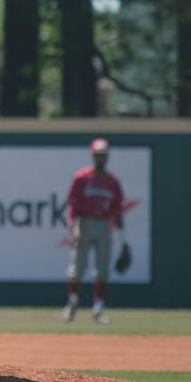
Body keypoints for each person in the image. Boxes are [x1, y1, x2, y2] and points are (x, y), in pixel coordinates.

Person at [63, 137, 125, 324]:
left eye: (103, 155)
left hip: (104, 224)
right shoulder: (82, 178)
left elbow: (117, 210)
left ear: (107, 157)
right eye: (97, 155)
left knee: (102, 269)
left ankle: (98, 309)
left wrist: (123, 240)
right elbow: (73, 205)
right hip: (84, 223)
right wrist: (73, 227)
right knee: (77, 268)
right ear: (92, 155)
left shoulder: (113, 182)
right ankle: (72, 303)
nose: (100, 158)